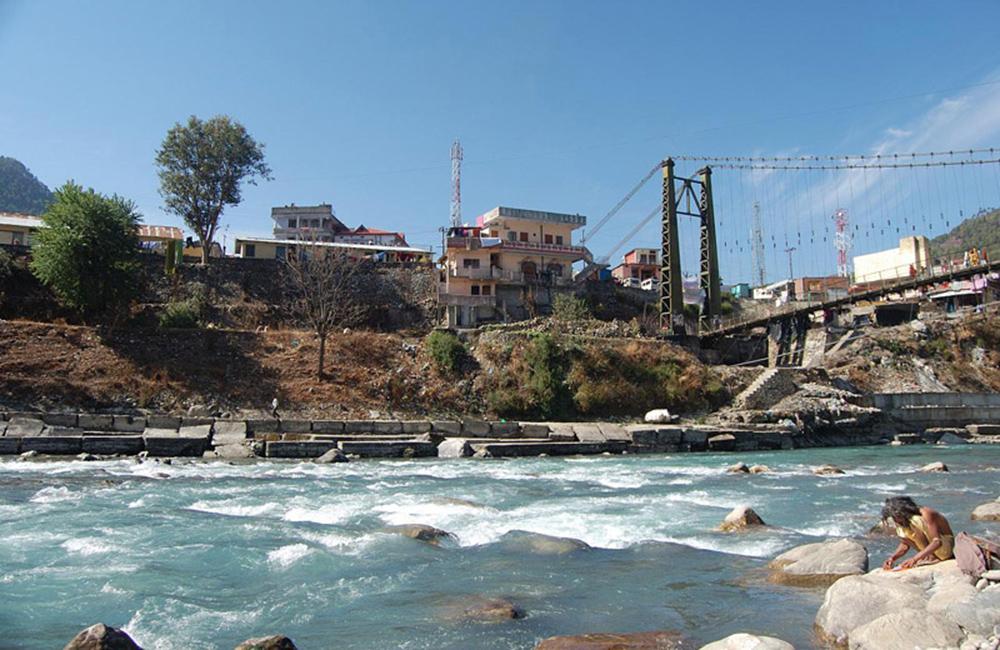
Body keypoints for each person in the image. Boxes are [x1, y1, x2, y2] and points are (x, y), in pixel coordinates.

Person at [881, 496, 955, 570]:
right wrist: (892, 558)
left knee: (915, 522)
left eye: (895, 517)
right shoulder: (906, 520)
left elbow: (937, 542)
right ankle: (928, 556)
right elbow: (905, 544)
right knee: (901, 529)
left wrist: (914, 559)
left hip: (945, 549)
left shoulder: (926, 513)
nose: (895, 520)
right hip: (935, 549)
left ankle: (932, 557)